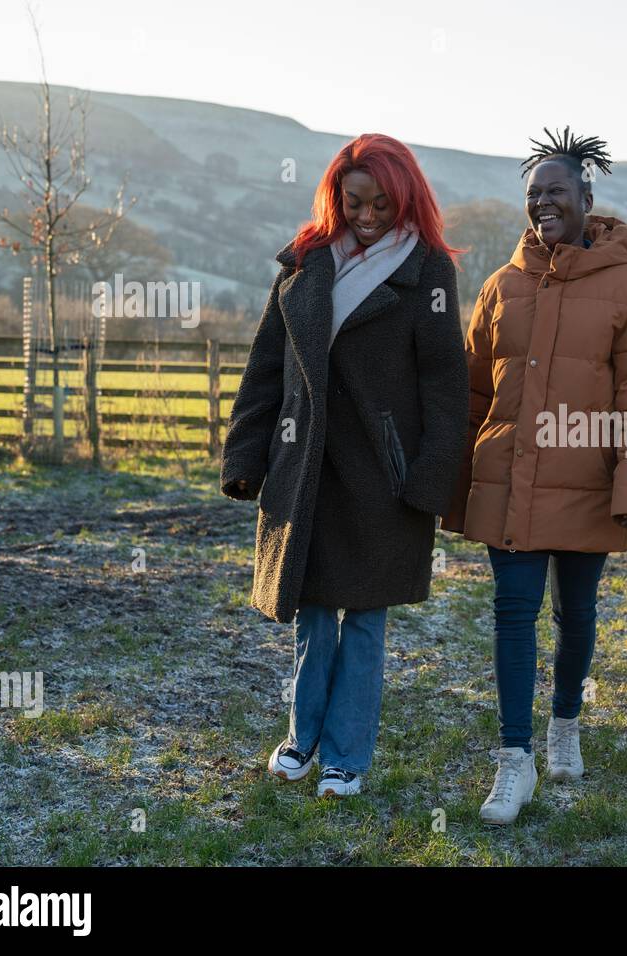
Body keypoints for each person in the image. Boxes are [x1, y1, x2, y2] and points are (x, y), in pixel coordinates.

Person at [220, 133, 468, 798]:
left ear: (405, 199)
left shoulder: (428, 271)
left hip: (384, 480)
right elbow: (266, 366)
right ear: (336, 195)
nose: (366, 214)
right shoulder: (303, 262)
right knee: (312, 610)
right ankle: (302, 740)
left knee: (363, 618)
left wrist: (430, 479)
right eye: (353, 200)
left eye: (381, 204)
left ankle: (346, 757)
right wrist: (246, 456)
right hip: (304, 470)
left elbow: (447, 384)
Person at [443, 127, 627, 825]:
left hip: (589, 480)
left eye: (557, 191)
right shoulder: (499, 286)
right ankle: (515, 759)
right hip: (509, 480)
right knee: (513, 615)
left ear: (587, 198)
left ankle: (564, 721)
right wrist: (454, 485)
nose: (544, 203)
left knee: (577, 616)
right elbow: (473, 394)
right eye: (534, 193)